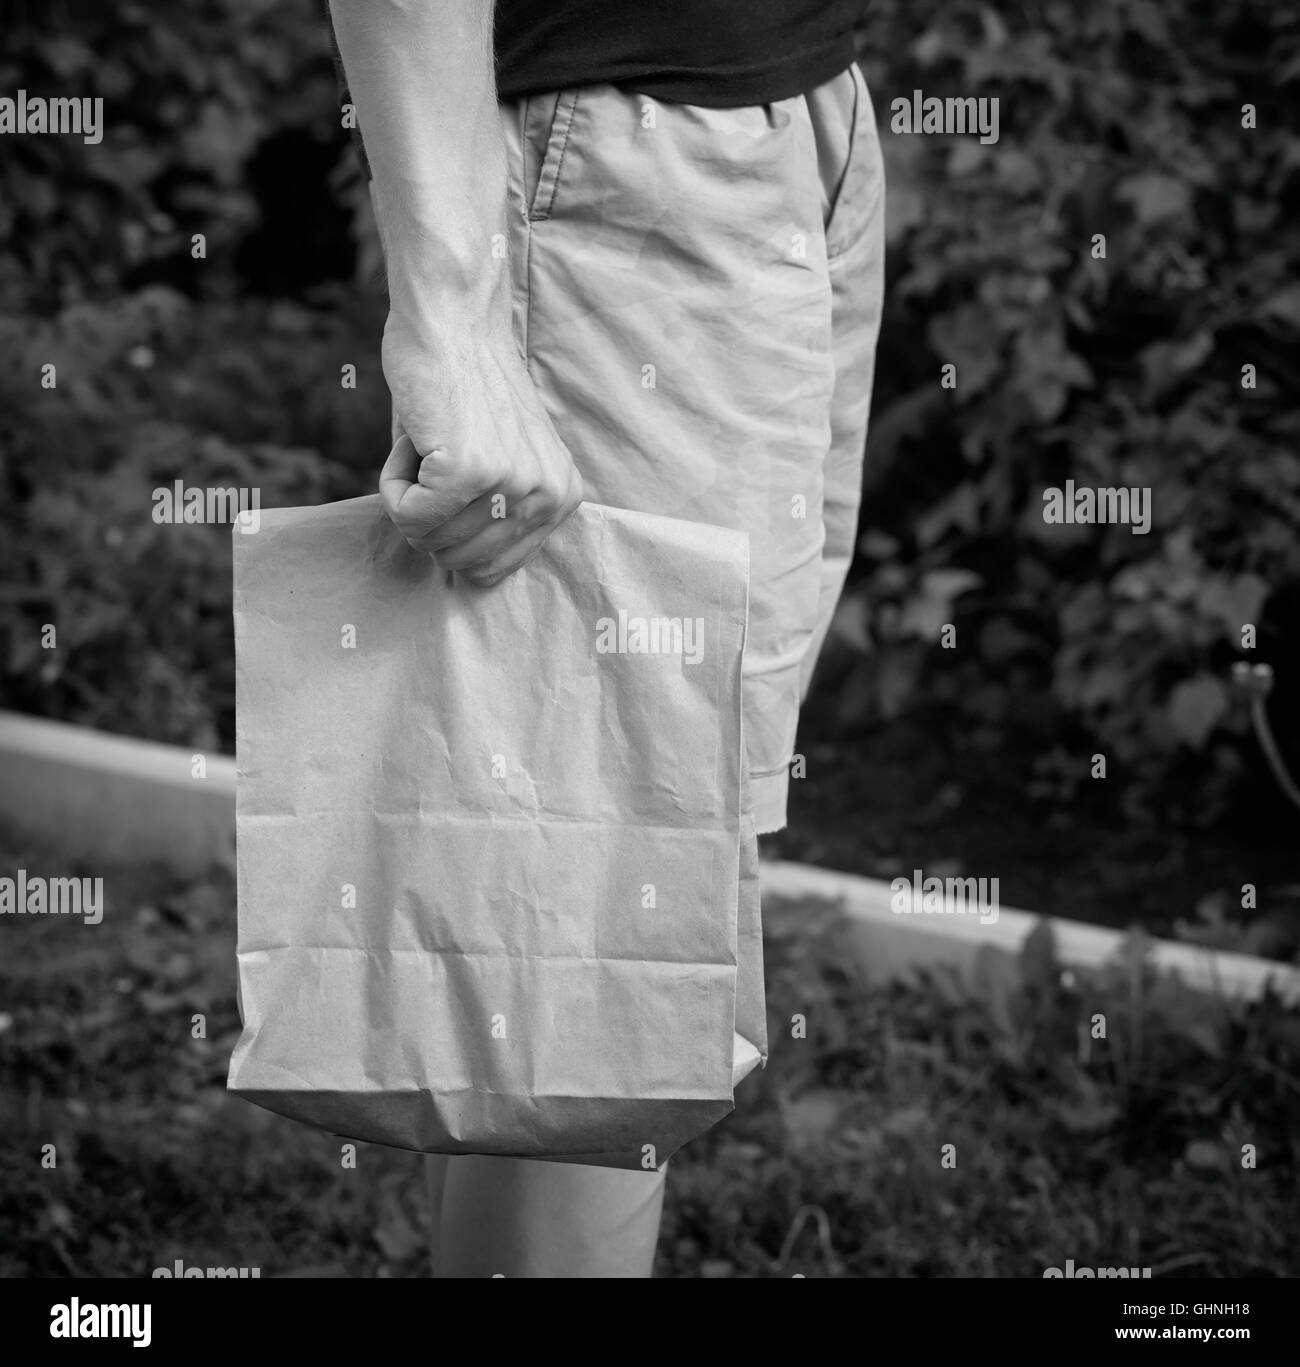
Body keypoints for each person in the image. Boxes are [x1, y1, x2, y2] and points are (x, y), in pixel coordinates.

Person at [326, 0, 885, 1277]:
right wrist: (454, 318)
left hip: (793, 113)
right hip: (633, 161)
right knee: (605, 881)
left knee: (593, 867)